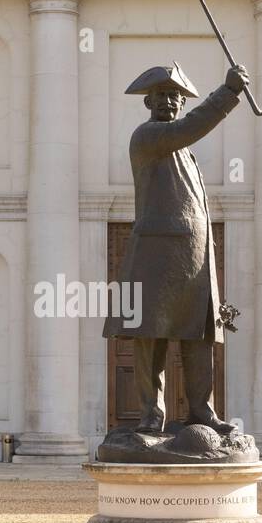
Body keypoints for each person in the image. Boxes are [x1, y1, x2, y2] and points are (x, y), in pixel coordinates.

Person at [103, 61, 249, 435]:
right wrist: (228, 92)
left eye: (175, 96)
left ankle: (201, 411)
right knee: (148, 335)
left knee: (200, 335)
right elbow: (188, 129)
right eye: (161, 96)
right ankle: (152, 413)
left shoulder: (186, 154)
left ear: (182, 102)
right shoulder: (148, 137)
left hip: (196, 256)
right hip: (156, 254)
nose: (169, 101)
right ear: (148, 102)